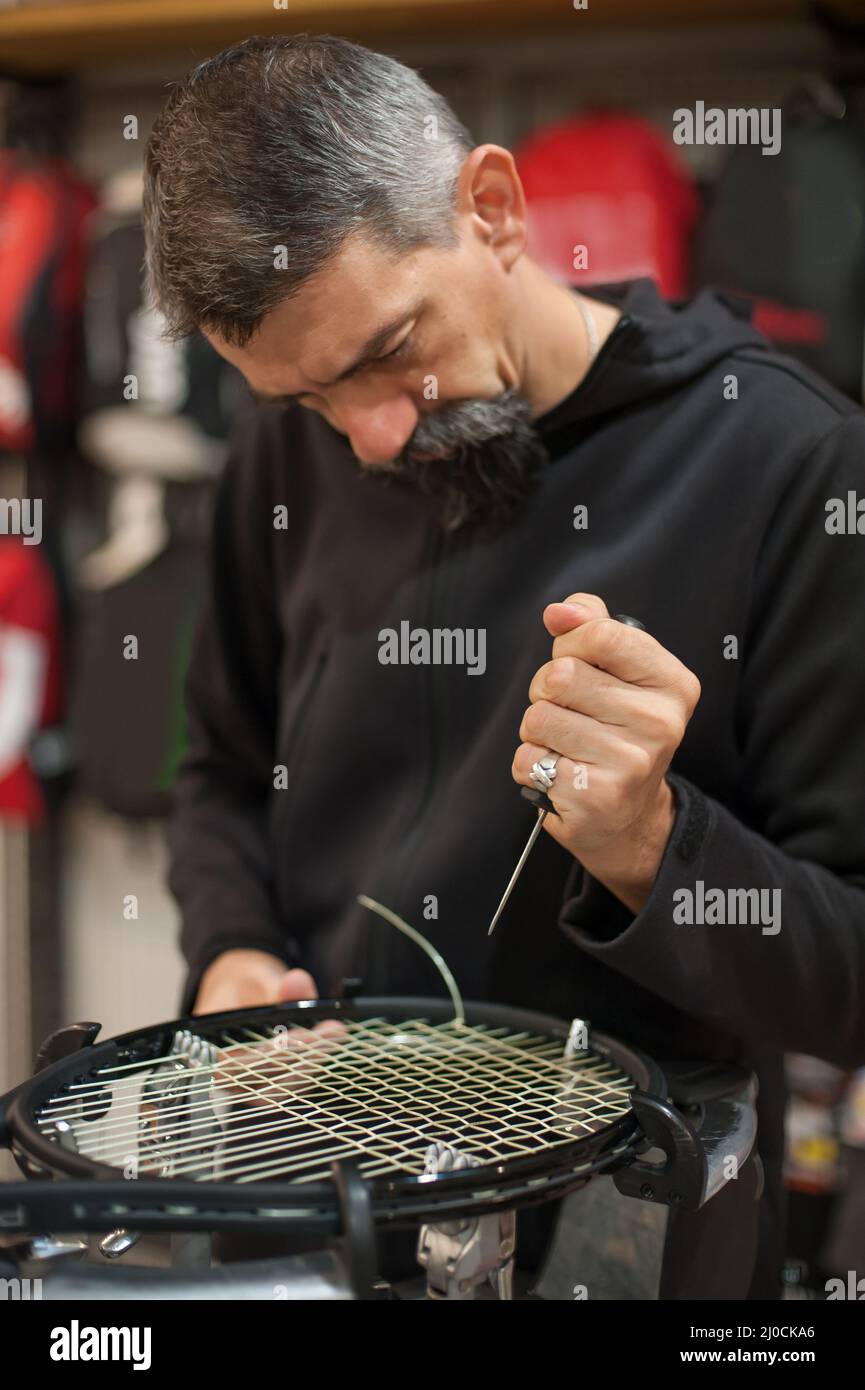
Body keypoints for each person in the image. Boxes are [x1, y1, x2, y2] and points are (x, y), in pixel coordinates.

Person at [143, 34, 865, 1298]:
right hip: (310, 1208)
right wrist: (231, 951)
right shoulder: (285, 458)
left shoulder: (791, 468)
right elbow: (217, 767)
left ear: (492, 209)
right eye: (305, 397)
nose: (369, 439)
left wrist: (655, 845)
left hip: (631, 1237)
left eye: (386, 348)